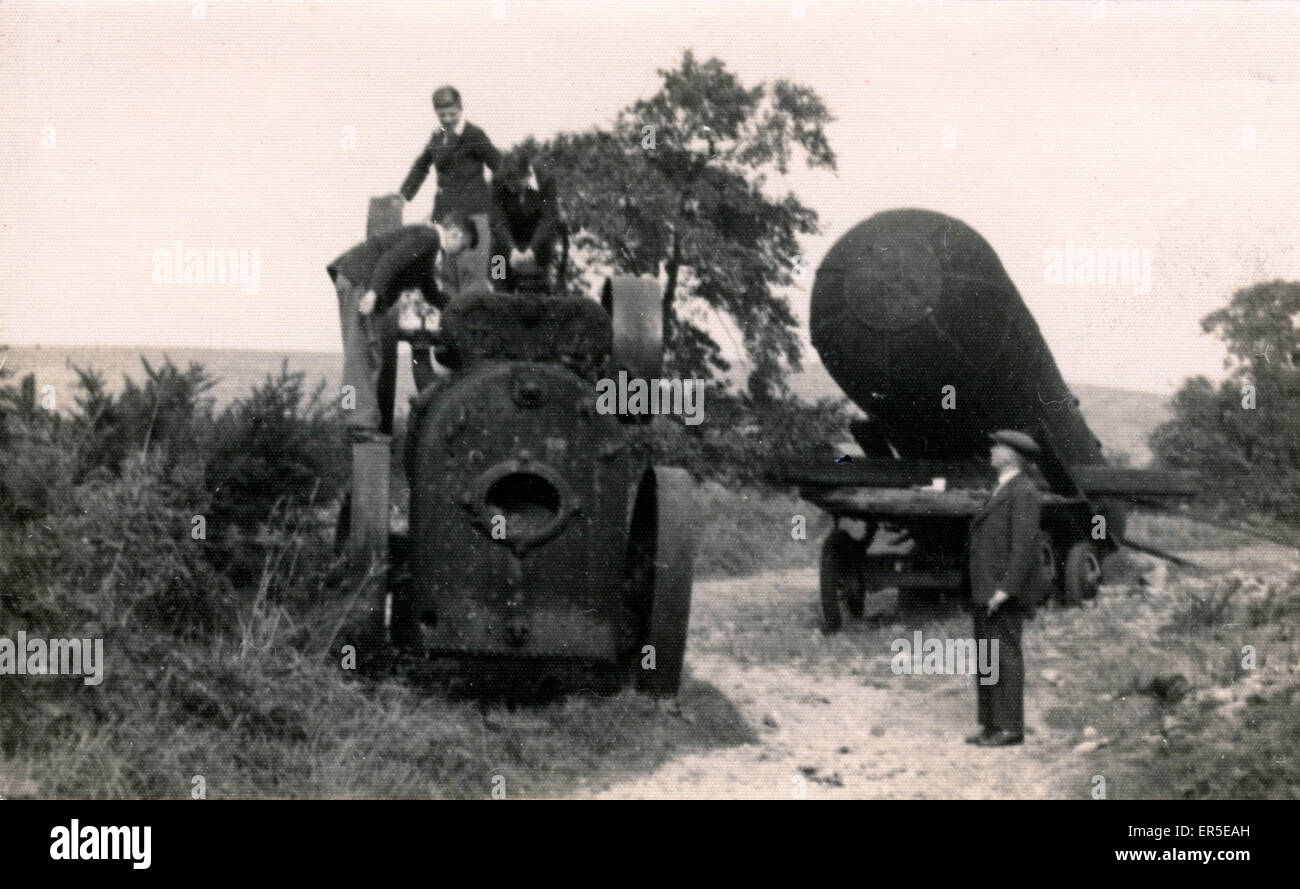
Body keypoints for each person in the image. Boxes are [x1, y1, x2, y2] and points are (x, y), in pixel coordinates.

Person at [327, 217, 476, 434]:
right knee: (359, 354)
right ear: (455, 233)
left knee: (367, 354)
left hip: (360, 282)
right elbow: (391, 259)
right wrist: (372, 293)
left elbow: (431, 292)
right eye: (462, 247)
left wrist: (461, 308)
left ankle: (357, 415)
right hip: (361, 284)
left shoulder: (428, 252)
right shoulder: (429, 238)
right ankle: (356, 421)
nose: (459, 254)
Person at [965, 429, 1043, 748]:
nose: (992, 451)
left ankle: (1011, 727)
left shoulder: (1023, 491)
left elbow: (1023, 547)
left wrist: (1005, 590)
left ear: (1012, 454)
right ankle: (991, 724)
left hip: (1001, 593)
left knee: (1005, 656)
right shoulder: (1003, 487)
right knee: (987, 655)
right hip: (986, 588)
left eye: (997, 446)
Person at [397, 85, 500, 295]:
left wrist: (490, 199)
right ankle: (453, 326)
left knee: (472, 275)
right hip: (446, 218)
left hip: (473, 216)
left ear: (460, 108)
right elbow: (421, 166)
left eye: (452, 114)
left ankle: (474, 326)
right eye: (442, 115)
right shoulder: (438, 137)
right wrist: (403, 196)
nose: (447, 120)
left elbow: (499, 164)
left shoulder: (473, 134)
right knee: (449, 278)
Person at [491, 152, 566, 293]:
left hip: (536, 242)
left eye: (515, 185)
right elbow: (497, 221)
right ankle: (498, 293)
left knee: (536, 292)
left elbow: (549, 219)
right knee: (498, 284)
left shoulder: (547, 180)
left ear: (526, 177)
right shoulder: (497, 181)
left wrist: (531, 249)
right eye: (507, 185)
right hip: (504, 243)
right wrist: (511, 248)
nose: (510, 189)